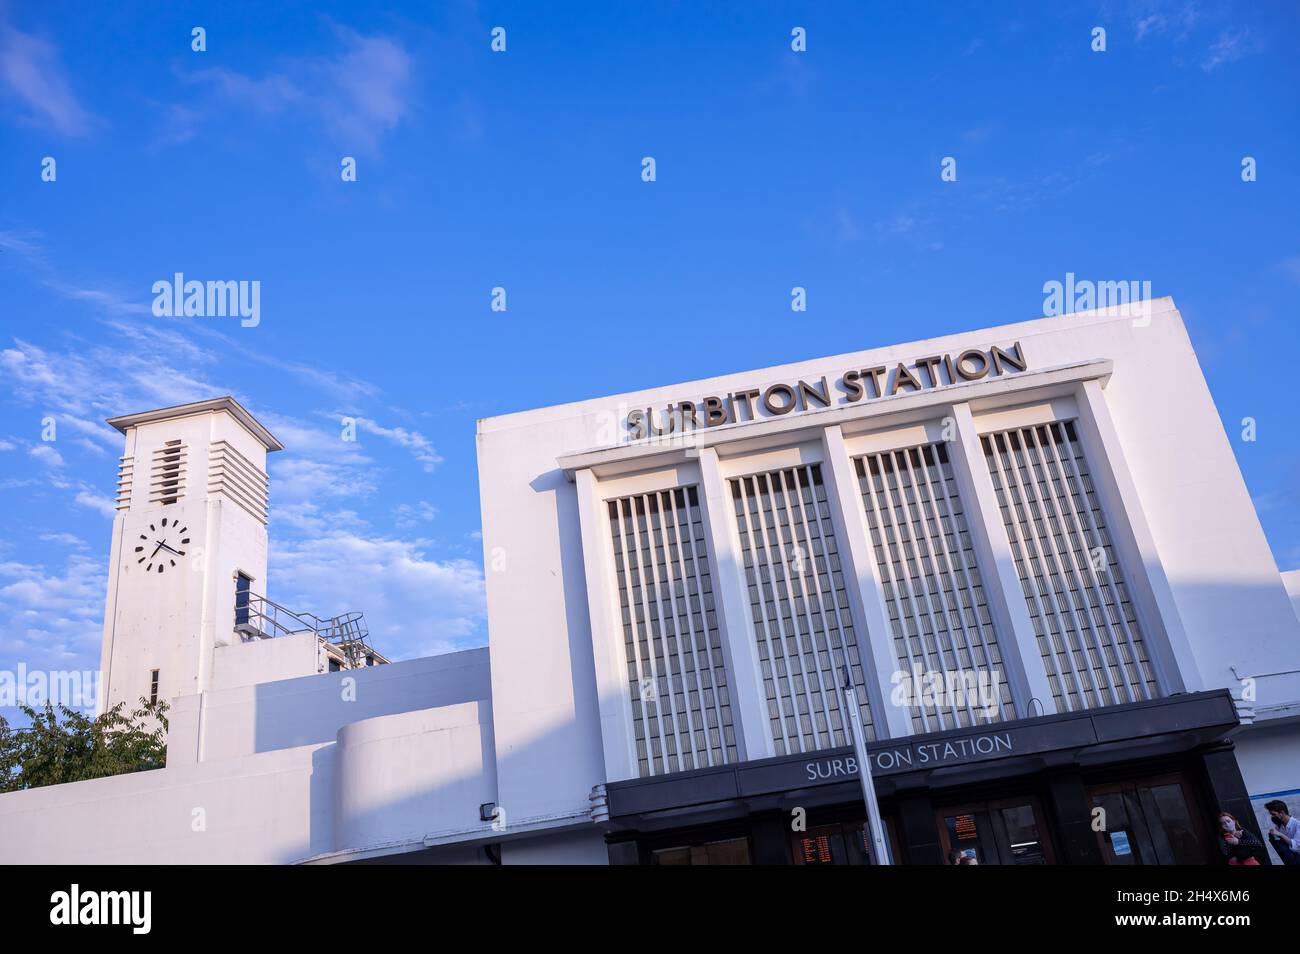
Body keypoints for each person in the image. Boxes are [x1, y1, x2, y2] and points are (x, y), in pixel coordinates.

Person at [1263, 799, 1300, 866]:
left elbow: (1297, 846)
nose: (1272, 817)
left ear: (1282, 813)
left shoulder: (1298, 825)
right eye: (1271, 815)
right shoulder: (1279, 826)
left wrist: (1280, 834)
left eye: (1274, 814)